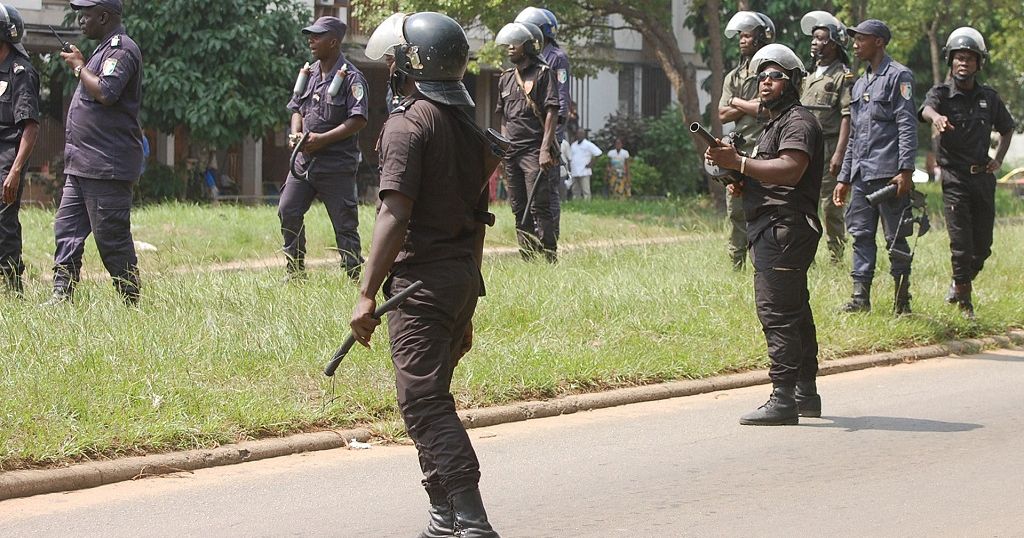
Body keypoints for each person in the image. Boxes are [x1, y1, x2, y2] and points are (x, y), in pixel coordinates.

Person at [354, 11, 500, 537]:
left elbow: (393, 214)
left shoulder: (406, 124)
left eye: (395, 61)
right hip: (458, 281)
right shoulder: (467, 126)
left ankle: (474, 520)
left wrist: (366, 293)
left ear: (409, 67)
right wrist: (468, 304)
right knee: (425, 394)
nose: (390, 69)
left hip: (421, 285)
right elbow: (479, 219)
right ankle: (444, 519)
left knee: (423, 401)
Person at [705, 44, 824, 426]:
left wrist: (739, 162)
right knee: (796, 311)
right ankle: (806, 393)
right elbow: (768, 171)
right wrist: (739, 176)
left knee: (777, 313)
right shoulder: (774, 124)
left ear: (792, 82)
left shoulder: (798, 122)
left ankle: (783, 397)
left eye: (774, 76)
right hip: (773, 225)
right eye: (761, 76)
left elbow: (790, 169)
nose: (765, 82)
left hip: (784, 228)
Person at [46, 0, 143, 305]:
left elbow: (106, 92)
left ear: (104, 16)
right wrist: (84, 63)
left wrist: (79, 66)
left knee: (110, 237)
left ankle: (130, 299)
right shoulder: (103, 50)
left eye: (85, 14)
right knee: (67, 230)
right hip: (82, 164)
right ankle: (62, 293)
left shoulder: (122, 49)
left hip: (106, 165)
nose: (80, 20)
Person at [920, 27, 1015, 318]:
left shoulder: (989, 97)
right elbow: (926, 110)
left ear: (979, 63)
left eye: (970, 59)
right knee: (960, 243)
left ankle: (959, 285)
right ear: (950, 60)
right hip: (954, 178)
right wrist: (937, 119)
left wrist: (998, 159)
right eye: (959, 58)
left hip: (982, 178)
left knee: (982, 247)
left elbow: (1007, 128)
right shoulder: (941, 94)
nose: (964, 63)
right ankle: (965, 302)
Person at [834, 20, 918, 315]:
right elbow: (855, 136)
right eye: (854, 39)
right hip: (861, 175)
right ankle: (860, 299)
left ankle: (902, 302)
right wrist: (844, 177)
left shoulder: (899, 76)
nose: (855, 44)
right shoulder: (859, 84)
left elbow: (907, 124)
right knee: (860, 236)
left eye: (861, 39)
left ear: (879, 41)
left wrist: (906, 170)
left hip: (889, 176)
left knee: (896, 239)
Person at [280, 16, 368, 281]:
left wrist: (323, 139)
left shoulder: (352, 77)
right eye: (310, 35)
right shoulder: (308, 73)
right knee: (288, 210)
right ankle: (295, 271)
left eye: (317, 36)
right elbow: (297, 107)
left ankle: (354, 276)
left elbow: (358, 120)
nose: (311, 40)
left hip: (336, 165)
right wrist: (296, 132)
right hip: (304, 162)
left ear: (333, 41)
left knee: (344, 223)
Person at [495, 20, 559, 262]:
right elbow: (503, 117)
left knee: (539, 206)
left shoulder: (543, 74)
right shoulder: (506, 78)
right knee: (518, 207)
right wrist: (503, 148)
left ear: (529, 45)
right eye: (508, 44)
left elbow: (552, 112)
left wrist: (545, 150)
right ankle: (528, 258)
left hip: (534, 150)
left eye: (515, 43)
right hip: (512, 153)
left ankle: (550, 257)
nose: (510, 47)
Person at [719, 11, 775, 270]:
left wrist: (736, 102)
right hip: (739, 147)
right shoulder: (734, 76)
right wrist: (749, 105)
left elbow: (767, 108)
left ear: (762, 37)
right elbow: (722, 114)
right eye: (740, 36)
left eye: (748, 35)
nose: (742, 40)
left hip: (768, 145)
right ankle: (736, 264)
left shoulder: (772, 72)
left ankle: (766, 261)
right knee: (735, 208)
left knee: (768, 208)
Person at [800, 11, 853, 263]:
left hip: (829, 147)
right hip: (804, 149)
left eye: (820, 38)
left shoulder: (843, 75)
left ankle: (836, 257)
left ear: (833, 43)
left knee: (831, 206)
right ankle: (805, 255)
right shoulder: (808, 75)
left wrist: (840, 154)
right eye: (813, 38)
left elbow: (847, 116)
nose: (814, 42)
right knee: (802, 203)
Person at [516, 7, 570, 239]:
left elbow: (562, 97)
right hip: (529, 135)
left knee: (547, 188)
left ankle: (550, 238)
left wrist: (552, 139)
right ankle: (530, 238)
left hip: (549, 133)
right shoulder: (528, 60)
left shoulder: (556, 58)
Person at [0, 3, 39, 298]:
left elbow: (30, 127)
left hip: (9, 156)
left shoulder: (21, 72)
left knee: (4, 221)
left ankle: (13, 288)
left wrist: (14, 172)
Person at [568, 128, 601, 200]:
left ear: (584, 135)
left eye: (581, 133)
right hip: (575, 171)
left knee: (586, 190)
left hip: (584, 171)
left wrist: (591, 164)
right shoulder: (573, 145)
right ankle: (577, 204)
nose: (579, 135)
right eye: (578, 133)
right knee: (575, 190)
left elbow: (598, 153)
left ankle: (587, 205)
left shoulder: (588, 144)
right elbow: (570, 158)